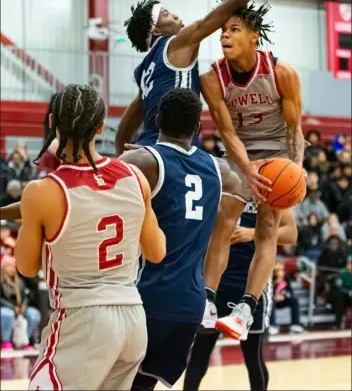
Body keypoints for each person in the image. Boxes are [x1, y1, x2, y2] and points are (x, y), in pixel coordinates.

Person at [116, 0, 300, 202]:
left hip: (148, 151)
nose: (175, 15)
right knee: (232, 189)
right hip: (173, 152)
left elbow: (130, 118)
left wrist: (124, 152)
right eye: (165, 14)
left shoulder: (145, 69)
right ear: (156, 30)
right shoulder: (176, 43)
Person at [2, 84, 166, 390]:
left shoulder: (41, 191)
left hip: (83, 320)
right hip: (132, 318)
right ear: (101, 126)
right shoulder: (135, 178)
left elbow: (26, 267)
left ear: (52, 122)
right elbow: (156, 252)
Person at [119, 88, 240, 391]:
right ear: (198, 128)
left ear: (157, 120)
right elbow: (238, 191)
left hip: (145, 296)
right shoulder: (222, 170)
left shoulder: (143, 160)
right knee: (143, 386)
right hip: (190, 303)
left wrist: (133, 156)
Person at [199, 0, 306, 340]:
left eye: (234, 30)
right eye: (223, 31)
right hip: (239, 151)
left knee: (269, 225)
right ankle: (208, 301)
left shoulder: (282, 73)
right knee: (225, 212)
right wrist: (246, 168)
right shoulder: (212, 78)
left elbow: (294, 130)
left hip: (275, 151)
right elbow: (227, 133)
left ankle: (245, 310)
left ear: (254, 37)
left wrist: (296, 169)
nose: (224, 36)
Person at [183, 205, 297, 391]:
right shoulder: (227, 183)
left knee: (252, 355)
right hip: (218, 281)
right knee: (200, 351)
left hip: (253, 284)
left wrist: (253, 233)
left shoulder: (271, 189)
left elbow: (291, 233)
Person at [0, 255, 41, 351]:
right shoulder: (1, 281)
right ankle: (6, 341)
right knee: (7, 314)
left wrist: (24, 306)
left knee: (34, 314)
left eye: (13, 266)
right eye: (8, 266)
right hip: (6, 308)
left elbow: (25, 297)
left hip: (20, 309)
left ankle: (23, 340)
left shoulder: (20, 281)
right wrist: (12, 307)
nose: (11, 269)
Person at [269, 260, 304, 335]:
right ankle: (272, 325)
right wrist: (276, 282)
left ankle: (295, 324)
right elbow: (268, 292)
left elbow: (290, 292)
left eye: (282, 269)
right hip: (271, 302)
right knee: (272, 300)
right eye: (278, 269)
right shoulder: (270, 278)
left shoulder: (286, 278)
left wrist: (284, 296)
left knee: (294, 300)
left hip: (281, 300)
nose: (280, 271)